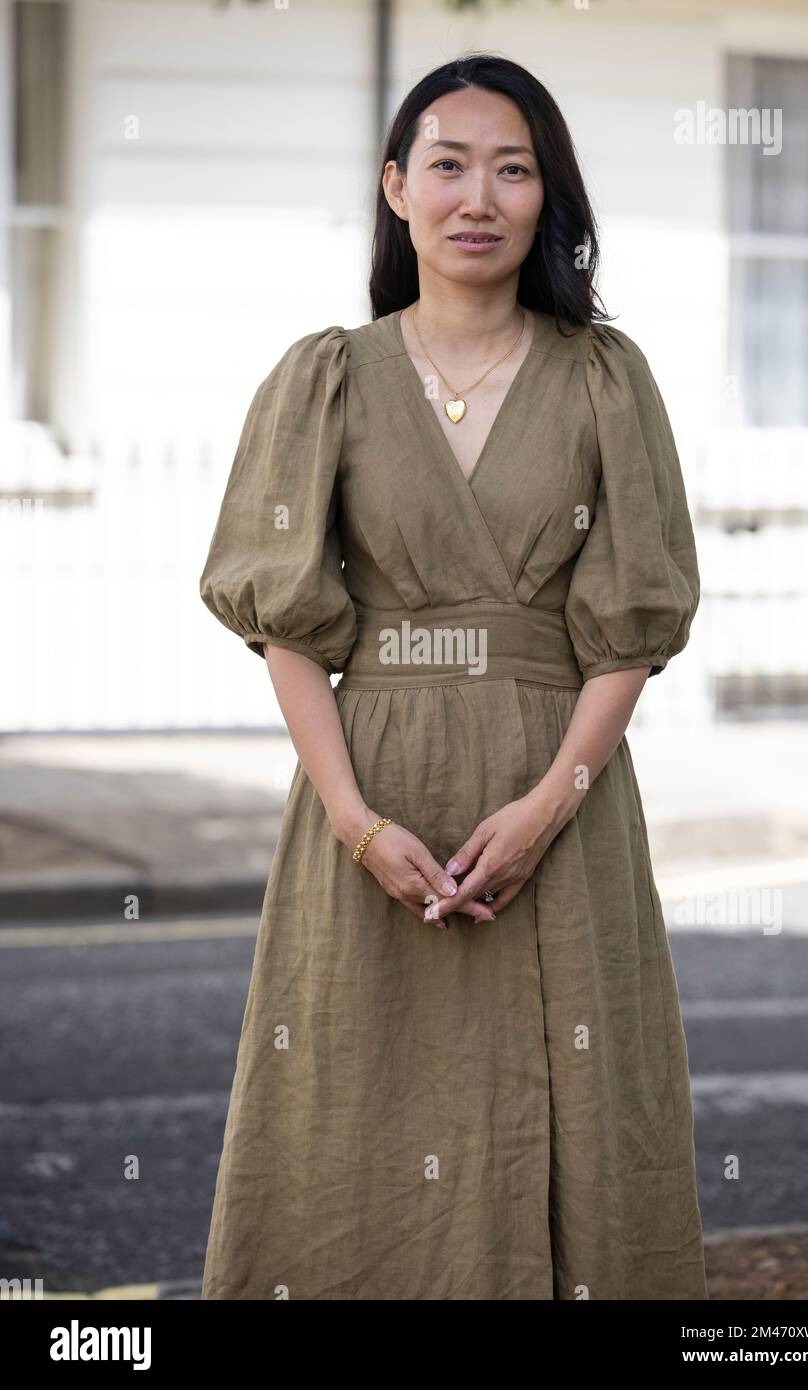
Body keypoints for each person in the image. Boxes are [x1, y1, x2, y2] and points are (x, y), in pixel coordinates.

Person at [198, 53, 707, 1301]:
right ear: (395, 188)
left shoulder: (604, 377)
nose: (479, 195)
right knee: (353, 1104)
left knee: (576, 1102)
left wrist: (548, 806)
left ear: (549, 198)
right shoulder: (324, 378)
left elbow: (630, 631)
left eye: (514, 167)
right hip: (371, 796)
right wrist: (356, 821)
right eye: (449, 163)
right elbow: (289, 630)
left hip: (561, 794)